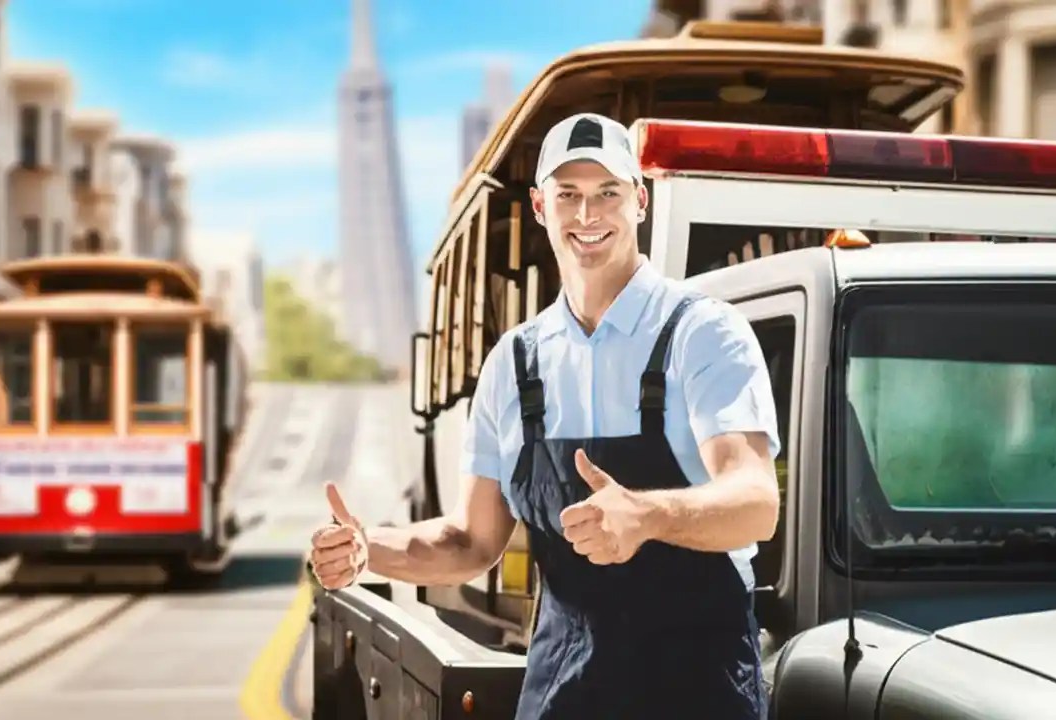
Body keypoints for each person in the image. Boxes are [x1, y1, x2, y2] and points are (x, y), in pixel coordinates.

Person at [309, 112, 781, 719]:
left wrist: (646, 515)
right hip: (564, 695)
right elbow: (471, 541)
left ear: (639, 201)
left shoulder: (702, 333)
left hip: (697, 691)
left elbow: (756, 503)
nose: (589, 216)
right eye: (569, 196)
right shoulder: (514, 364)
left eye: (608, 193)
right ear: (540, 207)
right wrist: (367, 548)